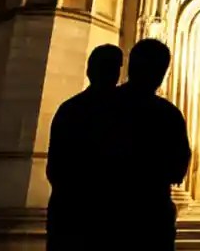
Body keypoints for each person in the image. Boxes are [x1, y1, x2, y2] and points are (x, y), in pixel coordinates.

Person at [113, 39, 192, 251]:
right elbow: (178, 170)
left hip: (107, 214)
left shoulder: (102, 105)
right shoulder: (168, 114)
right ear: (162, 73)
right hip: (152, 214)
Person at [45, 43, 124, 251]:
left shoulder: (69, 109)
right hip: (101, 219)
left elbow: (55, 168)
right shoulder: (127, 113)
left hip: (72, 215)